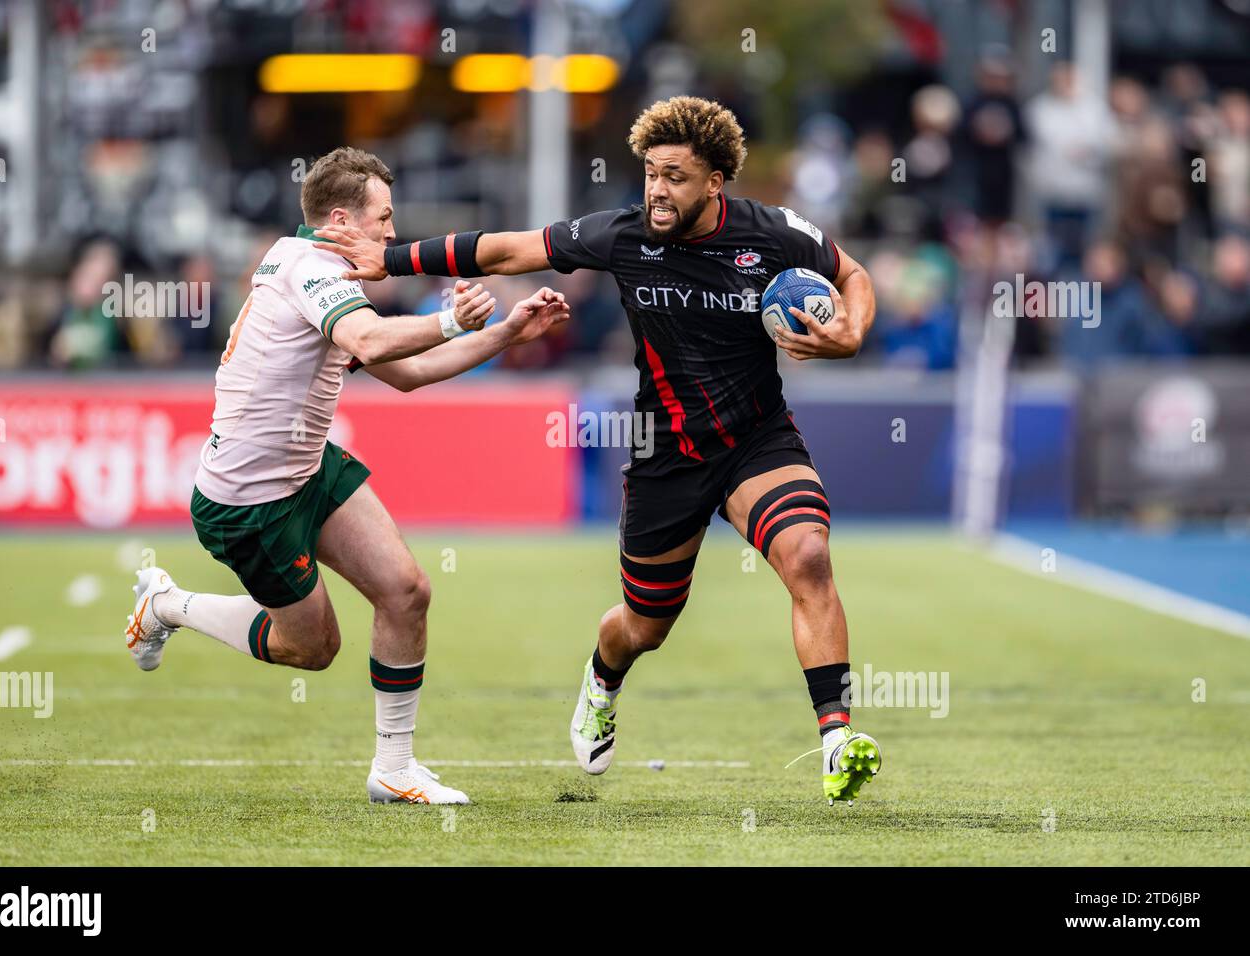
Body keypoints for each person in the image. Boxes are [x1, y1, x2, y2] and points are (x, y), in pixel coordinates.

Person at [315, 98, 883, 805]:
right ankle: (602, 680)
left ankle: (835, 738)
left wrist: (851, 332)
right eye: (649, 173)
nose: (655, 190)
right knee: (643, 626)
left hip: (757, 440)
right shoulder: (621, 235)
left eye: (674, 176)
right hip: (665, 457)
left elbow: (853, 273)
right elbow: (505, 249)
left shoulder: (774, 234)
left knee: (809, 555)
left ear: (715, 182)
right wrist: (389, 260)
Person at [121, 147, 569, 805]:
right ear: (341, 218)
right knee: (312, 647)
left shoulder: (317, 269)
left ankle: (394, 768)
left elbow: (407, 374)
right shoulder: (309, 271)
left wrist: (506, 333)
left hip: (306, 465)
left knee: (407, 590)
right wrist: (451, 318)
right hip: (250, 502)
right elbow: (373, 343)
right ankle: (167, 605)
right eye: (383, 219)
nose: (392, 235)